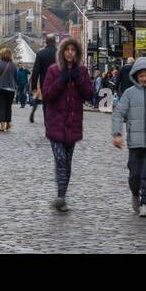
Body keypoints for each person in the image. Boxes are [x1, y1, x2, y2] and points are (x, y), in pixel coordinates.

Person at [43, 37, 94, 212]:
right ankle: (61, 197)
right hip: (55, 123)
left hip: (72, 124)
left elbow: (89, 94)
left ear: (77, 53)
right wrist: (62, 80)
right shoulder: (53, 70)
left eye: (73, 50)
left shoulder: (82, 71)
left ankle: (61, 195)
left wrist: (79, 79)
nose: (70, 53)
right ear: (62, 52)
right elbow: (47, 95)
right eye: (67, 50)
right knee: (61, 160)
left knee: (67, 162)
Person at [112, 58, 146, 217]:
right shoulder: (129, 93)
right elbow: (118, 113)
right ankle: (135, 193)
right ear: (135, 76)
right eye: (141, 75)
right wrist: (117, 134)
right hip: (134, 142)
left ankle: (145, 202)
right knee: (134, 174)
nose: (144, 78)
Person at [30, 34, 57, 123]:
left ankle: (47, 121)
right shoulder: (60, 53)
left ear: (46, 42)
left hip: (45, 83)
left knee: (46, 104)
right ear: (55, 42)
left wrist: (33, 86)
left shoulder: (41, 54)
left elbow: (36, 71)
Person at [0, 47, 18, 132]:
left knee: (1, 106)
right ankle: (8, 123)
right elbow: (16, 77)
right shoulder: (14, 65)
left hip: (0, 88)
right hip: (11, 89)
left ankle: (2, 125)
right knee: (8, 106)